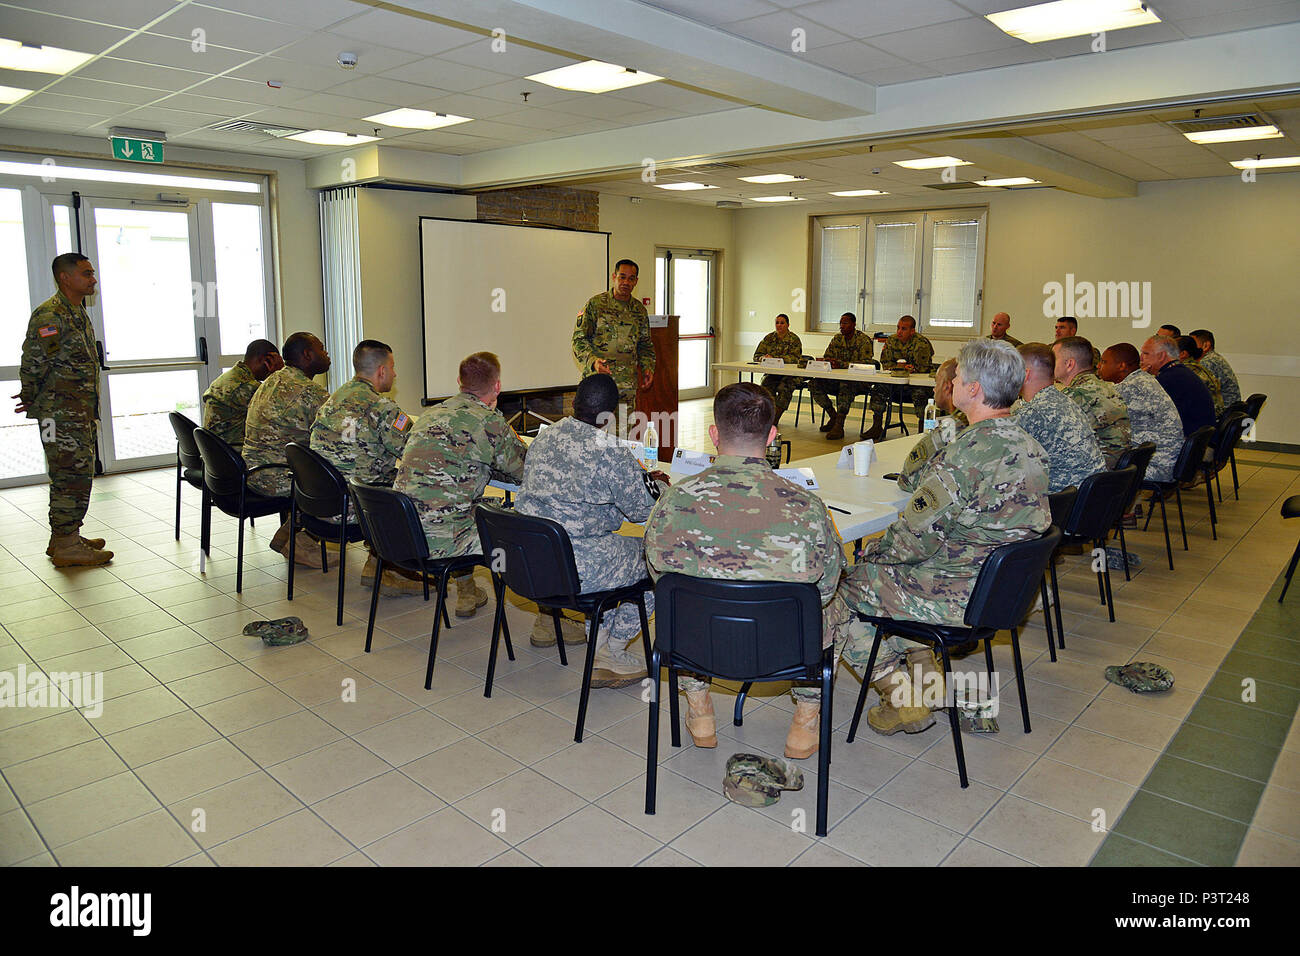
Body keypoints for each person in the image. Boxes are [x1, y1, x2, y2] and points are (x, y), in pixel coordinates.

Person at [841, 338, 1051, 735]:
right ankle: (928, 680)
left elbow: (914, 538)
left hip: (957, 596)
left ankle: (899, 696)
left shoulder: (966, 453)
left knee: (842, 589)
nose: (951, 382)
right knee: (892, 577)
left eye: (956, 377)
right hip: (1002, 593)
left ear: (974, 389)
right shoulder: (1030, 445)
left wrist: (871, 553)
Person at [643, 382, 852, 759]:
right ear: (772, 436)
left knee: (680, 602)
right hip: (785, 646)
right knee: (838, 606)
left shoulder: (675, 498)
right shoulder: (808, 506)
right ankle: (805, 721)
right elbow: (827, 585)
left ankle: (700, 709)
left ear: (713, 434)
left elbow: (658, 574)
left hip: (696, 643)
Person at [516, 374, 670, 685]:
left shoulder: (544, 436)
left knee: (613, 551)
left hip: (529, 559)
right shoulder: (610, 450)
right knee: (657, 562)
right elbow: (644, 512)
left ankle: (598, 645)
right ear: (611, 415)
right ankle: (609, 652)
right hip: (577, 567)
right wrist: (659, 486)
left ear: (574, 403)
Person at [395, 352, 526, 618]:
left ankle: (467, 590)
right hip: (443, 541)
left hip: (403, 534)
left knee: (461, 504)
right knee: (528, 528)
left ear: (459, 382)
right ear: (497, 386)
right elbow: (526, 470)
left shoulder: (430, 415)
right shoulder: (490, 422)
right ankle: (549, 621)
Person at [16, 253, 112, 567]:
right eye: (86, 274)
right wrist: (31, 396)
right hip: (60, 416)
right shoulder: (50, 315)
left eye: (92, 273)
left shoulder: (75, 312)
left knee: (70, 475)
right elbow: (34, 361)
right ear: (65, 278)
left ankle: (63, 538)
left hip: (74, 413)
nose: (93, 279)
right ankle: (68, 544)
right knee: (72, 477)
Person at [310, 339, 419, 595]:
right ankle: (391, 570)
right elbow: (414, 453)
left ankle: (376, 565)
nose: (395, 374)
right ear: (381, 371)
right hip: (356, 507)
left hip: (318, 503)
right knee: (416, 485)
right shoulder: (382, 408)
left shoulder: (332, 399)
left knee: (379, 475)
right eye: (392, 368)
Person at [243, 331, 331, 566]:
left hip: (250, 470)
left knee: (314, 465)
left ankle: (290, 532)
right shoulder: (309, 392)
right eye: (322, 348)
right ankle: (302, 541)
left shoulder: (271, 380)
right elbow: (341, 435)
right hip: (276, 476)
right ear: (308, 355)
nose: (327, 353)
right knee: (338, 476)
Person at [1012, 343, 1106, 493]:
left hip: (1062, 502)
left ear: (1025, 374)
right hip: (1090, 499)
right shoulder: (1064, 400)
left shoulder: (1033, 412)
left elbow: (1005, 465)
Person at [572, 258, 655, 411]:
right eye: (622, 277)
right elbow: (579, 340)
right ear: (614, 277)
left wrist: (647, 367)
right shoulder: (596, 305)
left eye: (631, 279)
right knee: (595, 433)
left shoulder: (639, 311)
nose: (626, 282)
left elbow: (645, 345)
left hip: (626, 389)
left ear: (636, 281)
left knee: (623, 433)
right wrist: (593, 361)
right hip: (597, 386)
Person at [1099, 343, 1184, 483]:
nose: (1099, 366)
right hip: (1166, 460)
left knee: (1089, 467)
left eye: (1104, 362)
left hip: (1157, 466)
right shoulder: (1142, 379)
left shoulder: (1130, 387)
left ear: (1121, 366)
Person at [1052, 335, 1131, 468]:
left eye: (1053, 359)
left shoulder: (1075, 395)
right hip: (1116, 470)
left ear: (1069, 364)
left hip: (1096, 470)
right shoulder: (1107, 386)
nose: (1049, 364)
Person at [201, 339, 282, 451]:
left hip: (215, 453)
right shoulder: (247, 386)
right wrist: (279, 373)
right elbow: (281, 410)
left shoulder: (232, 376)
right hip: (231, 454)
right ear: (266, 360)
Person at [862, 315, 935, 440]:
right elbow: (885, 363)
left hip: (915, 385)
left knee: (921, 394)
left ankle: (924, 430)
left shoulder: (921, 343)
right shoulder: (891, 340)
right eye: (898, 328)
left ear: (912, 331)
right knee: (878, 389)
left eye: (904, 329)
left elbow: (923, 368)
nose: (899, 332)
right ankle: (877, 426)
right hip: (895, 383)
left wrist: (909, 369)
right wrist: (900, 367)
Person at [895, 359, 964, 481]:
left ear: (947, 387)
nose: (934, 389)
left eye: (936, 383)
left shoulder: (952, 427)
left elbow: (908, 477)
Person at [808, 311, 873, 440]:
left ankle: (839, 425)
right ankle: (833, 415)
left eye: (845, 323)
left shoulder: (863, 340)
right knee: (814, 384)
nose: (841, 326)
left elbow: (866, 364)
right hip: (836, 379)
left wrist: (841, 364)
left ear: (854, 324)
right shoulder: (837, 339)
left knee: (845, 385)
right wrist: (828, 362)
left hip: (858, 382)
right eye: (840, 323)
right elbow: (828, 356)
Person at [1139, 335, 1215, 436]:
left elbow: (1144, 414)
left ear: (1161, 356)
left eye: (1146, 353)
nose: (1141, 358)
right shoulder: (1179, 372)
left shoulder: (1169, 379)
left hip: (1189, 443)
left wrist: (1139, 377)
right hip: (1200, 441)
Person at [752, 313, 804, 423]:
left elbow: (795, 358)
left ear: (788, 325)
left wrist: (775, 358)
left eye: (782, 323)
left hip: (790, 375)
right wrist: (763, 358)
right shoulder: (769, 338)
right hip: (773, 373)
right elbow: (756, 356)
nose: (779, 325)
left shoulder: (794, 339)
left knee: (784, 388)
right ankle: (769, 415)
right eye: (777, 323)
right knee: (765, 387)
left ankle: (775, 418)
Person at [1189, 329, 1241, 408]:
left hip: (1223, 409)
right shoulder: (1214, 357)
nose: (1191, 348)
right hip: (1230, 407)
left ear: (1206, 345)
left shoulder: (1208, 361)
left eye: (1193, 344)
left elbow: (1197, 391)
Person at [1176, 335, 1223, 415]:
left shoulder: (1185, 372)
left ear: (1183, 354)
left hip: (1206, 421)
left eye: (1170, 351)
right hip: (1213, 418)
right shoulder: (1195, 366)